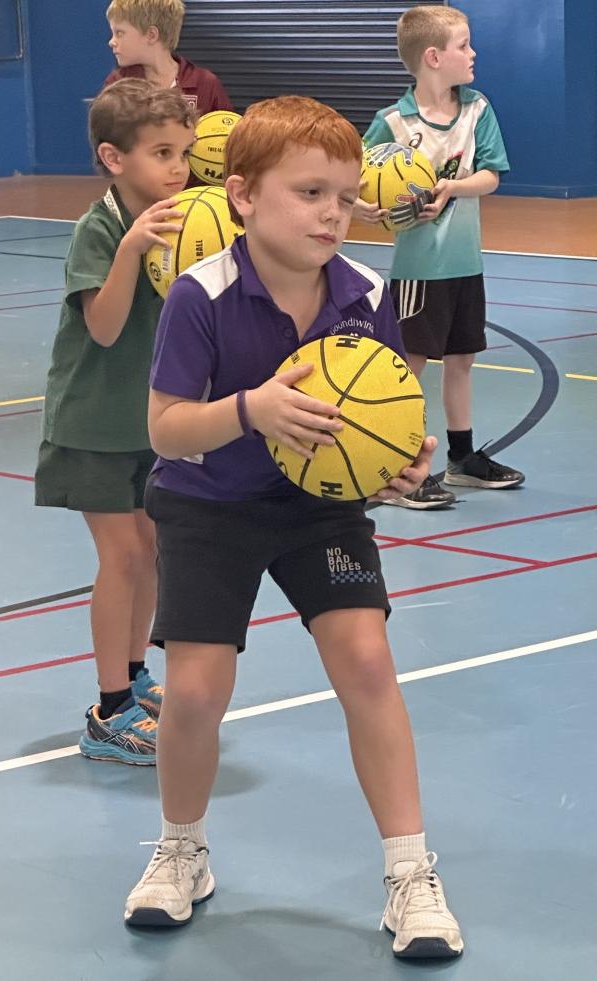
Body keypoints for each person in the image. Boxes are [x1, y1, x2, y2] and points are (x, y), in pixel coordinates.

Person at [124, 95, 464, 960]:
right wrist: (252, 409)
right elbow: (165, 428)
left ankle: (410, 872)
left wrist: (401, 460)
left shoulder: (368, 292)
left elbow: (378, 420)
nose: (332, 215)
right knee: (196, 692)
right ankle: (182, 850)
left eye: (345, 198)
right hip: (207, 503)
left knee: (366, 660)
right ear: (241, 194)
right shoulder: (201, 295)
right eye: (310, 192)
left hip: (318, 510)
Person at [35, 78, 197, 765]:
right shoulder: (100, 229)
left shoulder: (184, 217)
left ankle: (134, 677)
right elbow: (102, 328)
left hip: (146, 423)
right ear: (113, 157)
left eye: (183, 152)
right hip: (91, 426)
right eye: (162, 152)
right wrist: (131, 248)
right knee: (123, 557)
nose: (178, 167)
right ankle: (108, 711)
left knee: (151, 549)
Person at [355, 5, 524, 510]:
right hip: (418, 270)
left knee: (462, 358)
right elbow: (356, 174)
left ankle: (462, 458)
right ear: (433, 57)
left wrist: (452, 186)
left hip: (465, 261)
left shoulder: (477, 110)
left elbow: (491, 174)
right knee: (410, 363)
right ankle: (400, 465)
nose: (473, 54)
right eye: (464, 45)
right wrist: (361, 205)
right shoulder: (391, 121)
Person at [103, 0, 232, 117]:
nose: (111, 42)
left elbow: (229, 135)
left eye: (119, 33)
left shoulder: (205, 84)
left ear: (151, 35)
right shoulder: (117, 84)